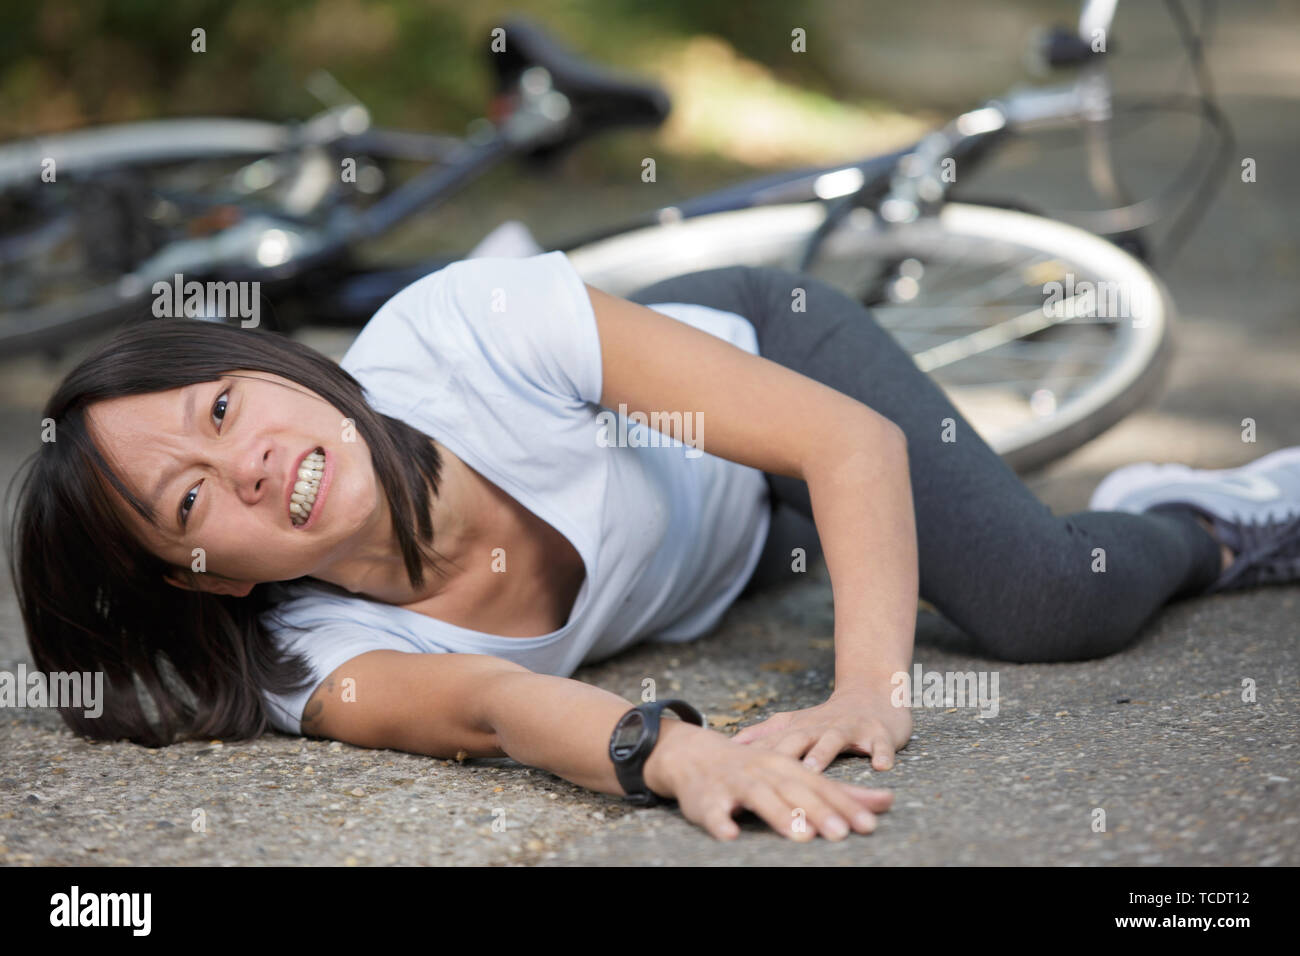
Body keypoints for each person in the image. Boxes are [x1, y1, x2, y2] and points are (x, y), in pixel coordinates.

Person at [11, 252, 1298, 844]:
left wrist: (867, 691)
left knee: (1042, 602)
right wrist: (669, 751)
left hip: (774, 379)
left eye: (222, 407)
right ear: (212, 579)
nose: (237, 462)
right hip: (732, 548)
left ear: (265, 363)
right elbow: (503, 707)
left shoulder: (465, 332)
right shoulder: (321, 660)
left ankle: (1204, 509)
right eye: (187, 505)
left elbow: (848, 449)